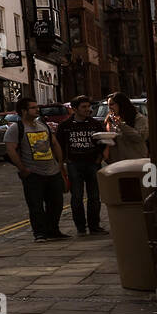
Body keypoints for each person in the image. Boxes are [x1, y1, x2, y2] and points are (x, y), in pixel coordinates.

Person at [5, 96, 69, 242]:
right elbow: (11, 150)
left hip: (52, 171)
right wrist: (22, 168)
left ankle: (53, 230)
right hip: (33, 173)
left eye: (37, 107)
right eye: (33, 108)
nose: (37, 110)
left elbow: (54, 144)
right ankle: (39, 233)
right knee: (36, 205)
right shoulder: (16, 128)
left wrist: (59, 163)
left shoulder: (43, 125)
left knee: (56, 204)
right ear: (24, 111)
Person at [57, 95, 108, 236]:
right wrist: (62, 164)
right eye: (84, 107)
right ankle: (80, 227)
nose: (88, 109)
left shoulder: (95, 124)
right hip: (74, 164)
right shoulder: (65, 126)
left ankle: (94, 226)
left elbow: (104, 142)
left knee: (94, 196)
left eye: (89, 106)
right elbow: (59, 146)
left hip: (92, 163)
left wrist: (99, 158)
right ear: (74, 109)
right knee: (77, 197)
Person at [105, 92, 150, 161]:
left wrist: (122, 125)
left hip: (136, 160)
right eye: (108, 105)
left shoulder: (139, 118)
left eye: (112, 104)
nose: (109, 108)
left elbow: (140, 137)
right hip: (118, 163)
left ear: (121, 104)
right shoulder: (111, 120)